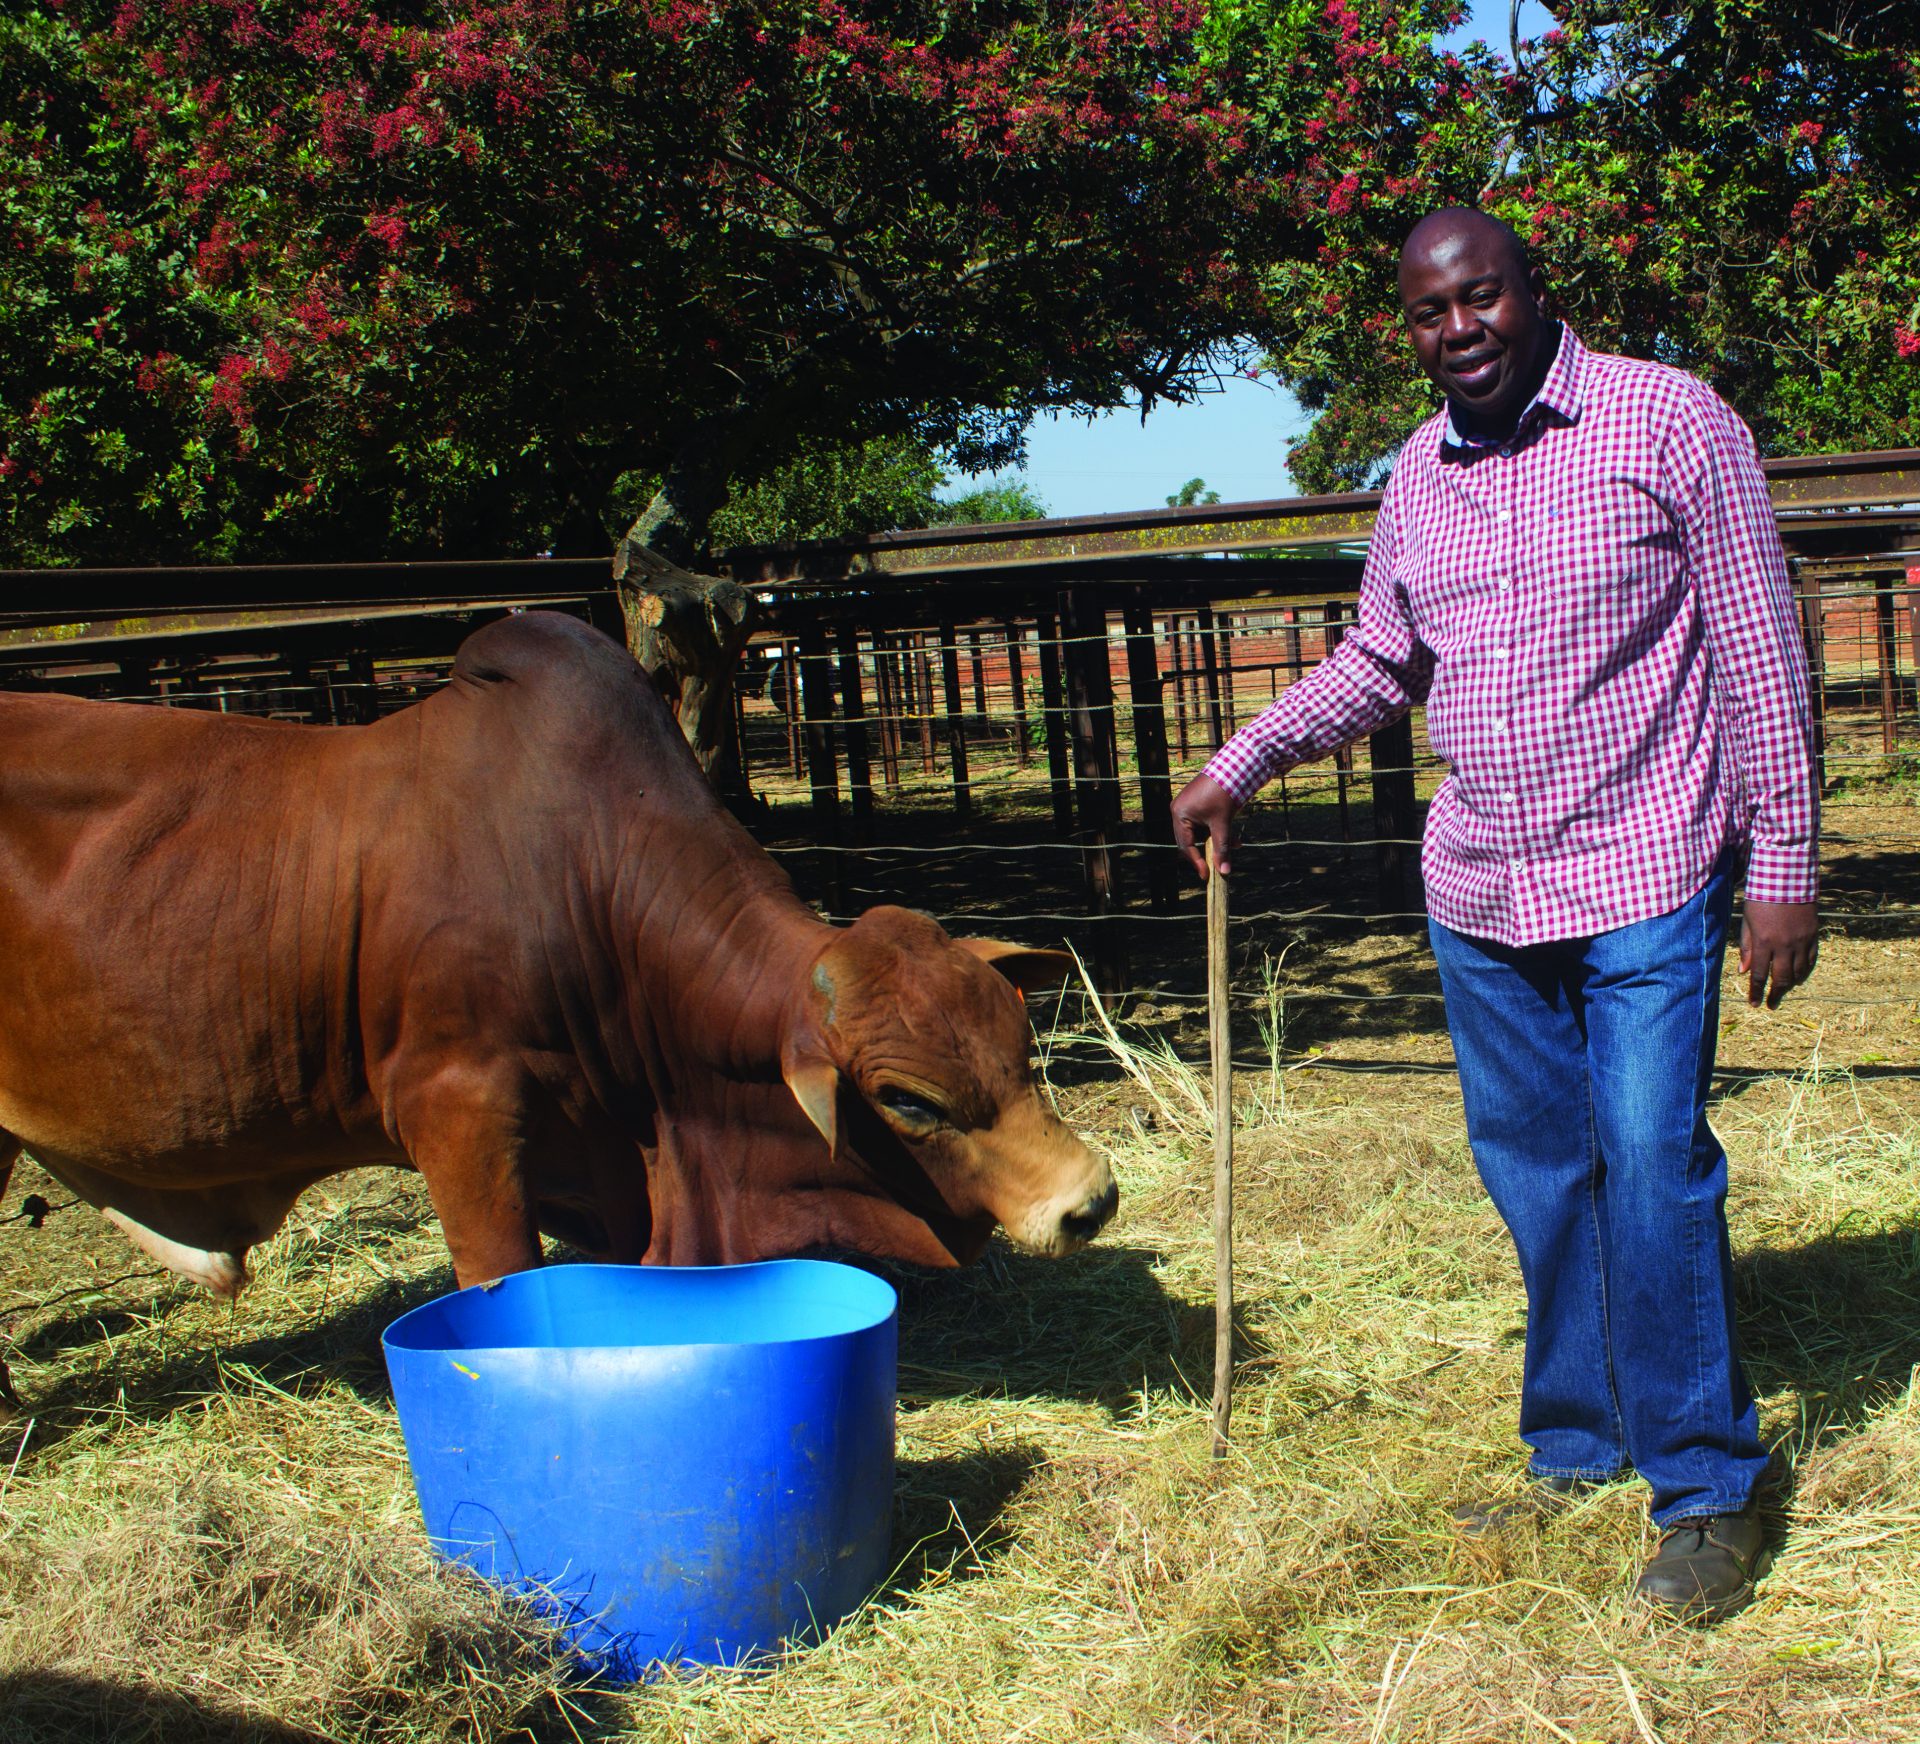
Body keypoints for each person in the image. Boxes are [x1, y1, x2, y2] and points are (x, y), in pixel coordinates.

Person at [1171, 207, 1818, 1625]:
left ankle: (1706, 1483)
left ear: (1535, 294)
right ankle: (1578, 1444)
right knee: (1541, 1173)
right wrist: (1243, 762)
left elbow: (1760, 642)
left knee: (1650, 1163)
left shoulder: (1669, 422)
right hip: (1483, 888)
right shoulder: (1416, 473)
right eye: (1427, 311)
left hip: (1648, 865)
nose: (1457, 329)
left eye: (1480, 299)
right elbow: (1378, 656)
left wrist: (1786, 860)